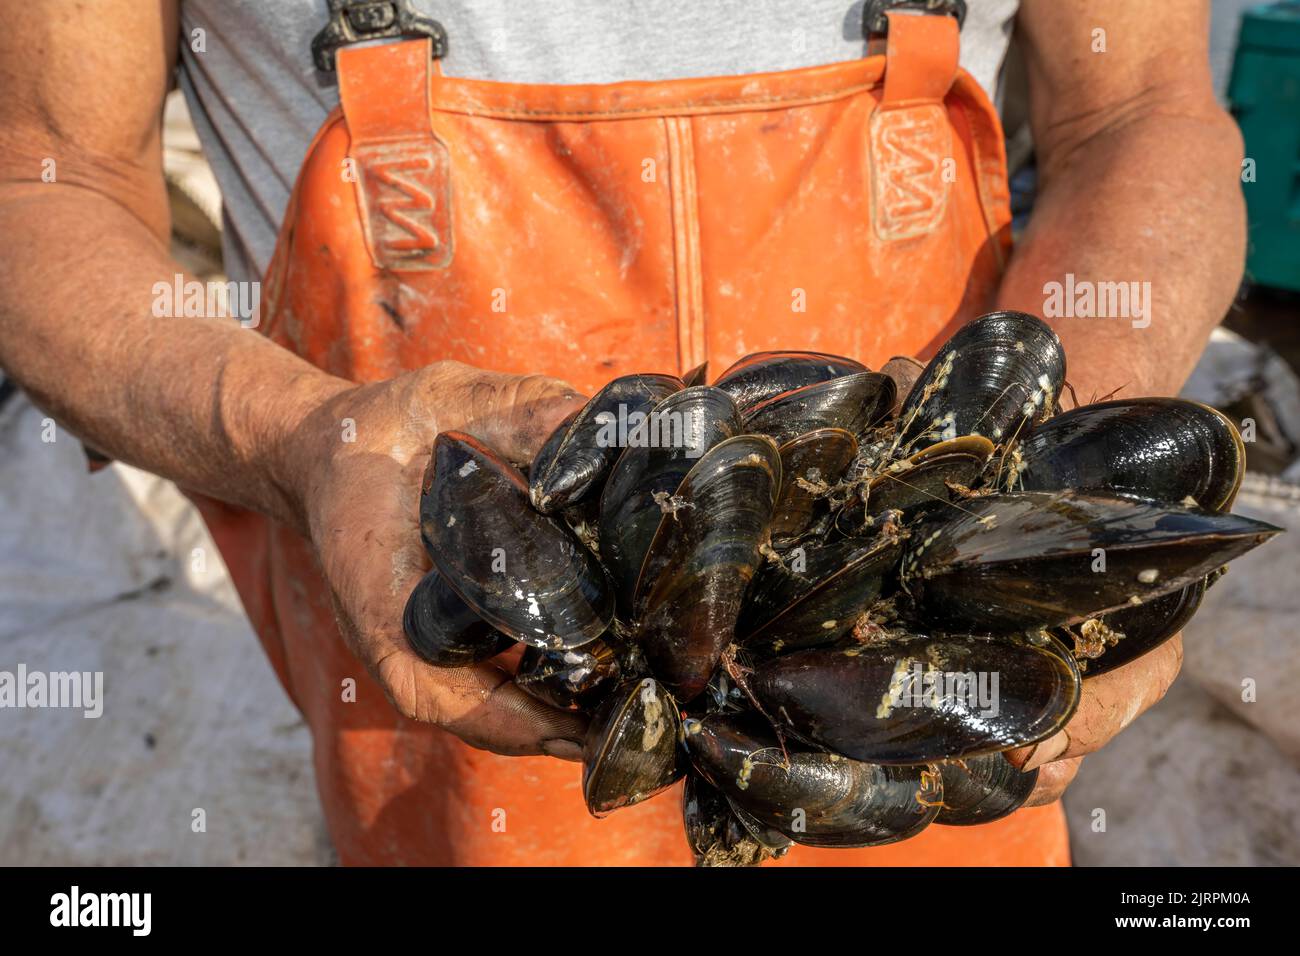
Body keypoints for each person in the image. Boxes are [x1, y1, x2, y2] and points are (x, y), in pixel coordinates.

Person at [0, 1, 1238, 865]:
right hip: (449, 678)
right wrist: (301, 438)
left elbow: (1140, 115)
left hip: (914, 685)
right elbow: (41, 181)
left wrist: (1054, 504)